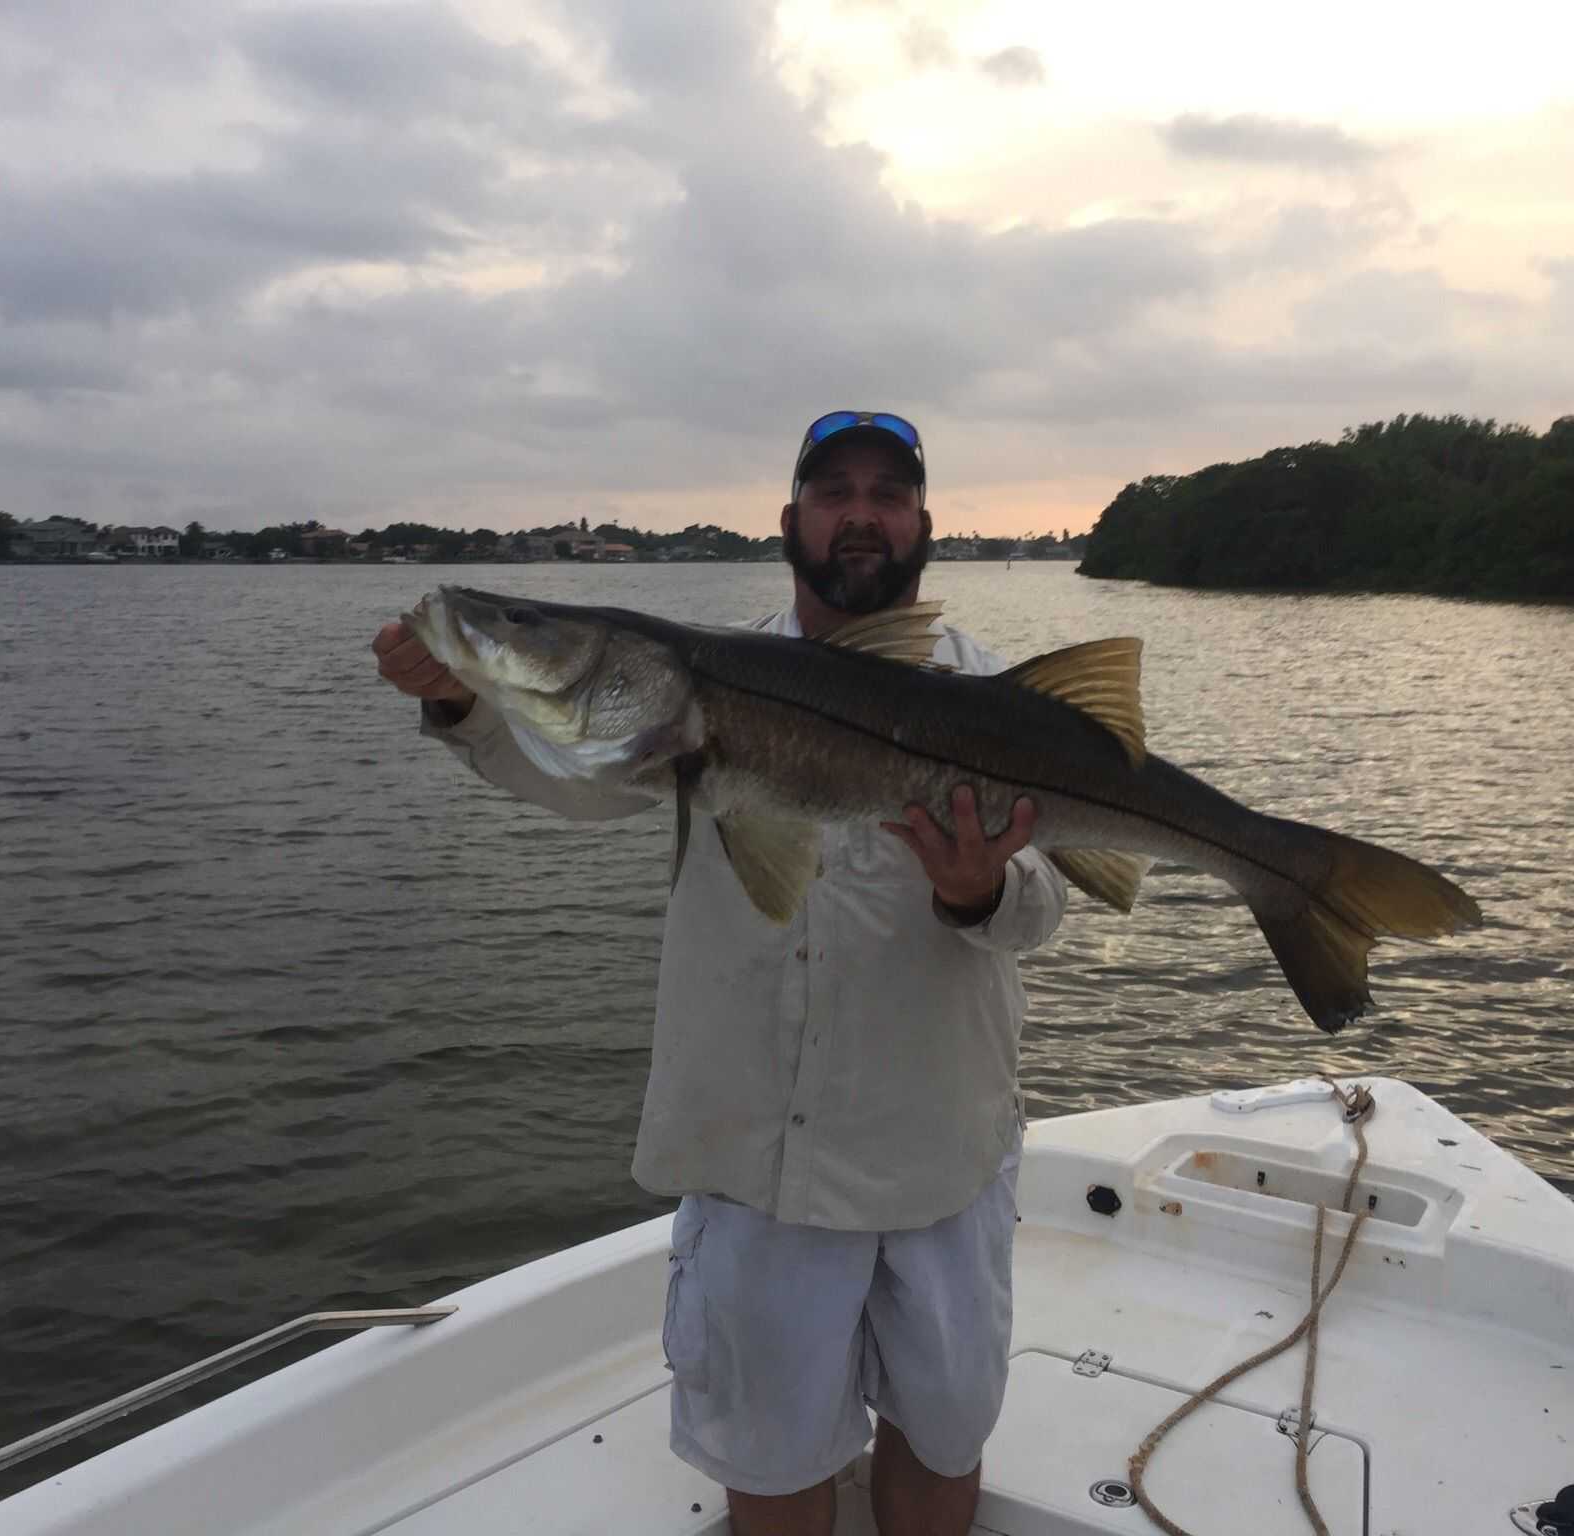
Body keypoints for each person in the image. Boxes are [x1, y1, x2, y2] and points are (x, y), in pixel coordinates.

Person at [371, 411, 1068, 1536]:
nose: (859, 513)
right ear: (788, 522)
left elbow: (1046, 907)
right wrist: (460, 700)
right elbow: (579, 779)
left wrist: (978, 891)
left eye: (886, 493)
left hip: (942, 1155)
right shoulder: (687, 680)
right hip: (757, 1167)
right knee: (771, 1466)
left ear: (924, 526)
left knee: (943, 1446)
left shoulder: (997, 698)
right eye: (832, 490)